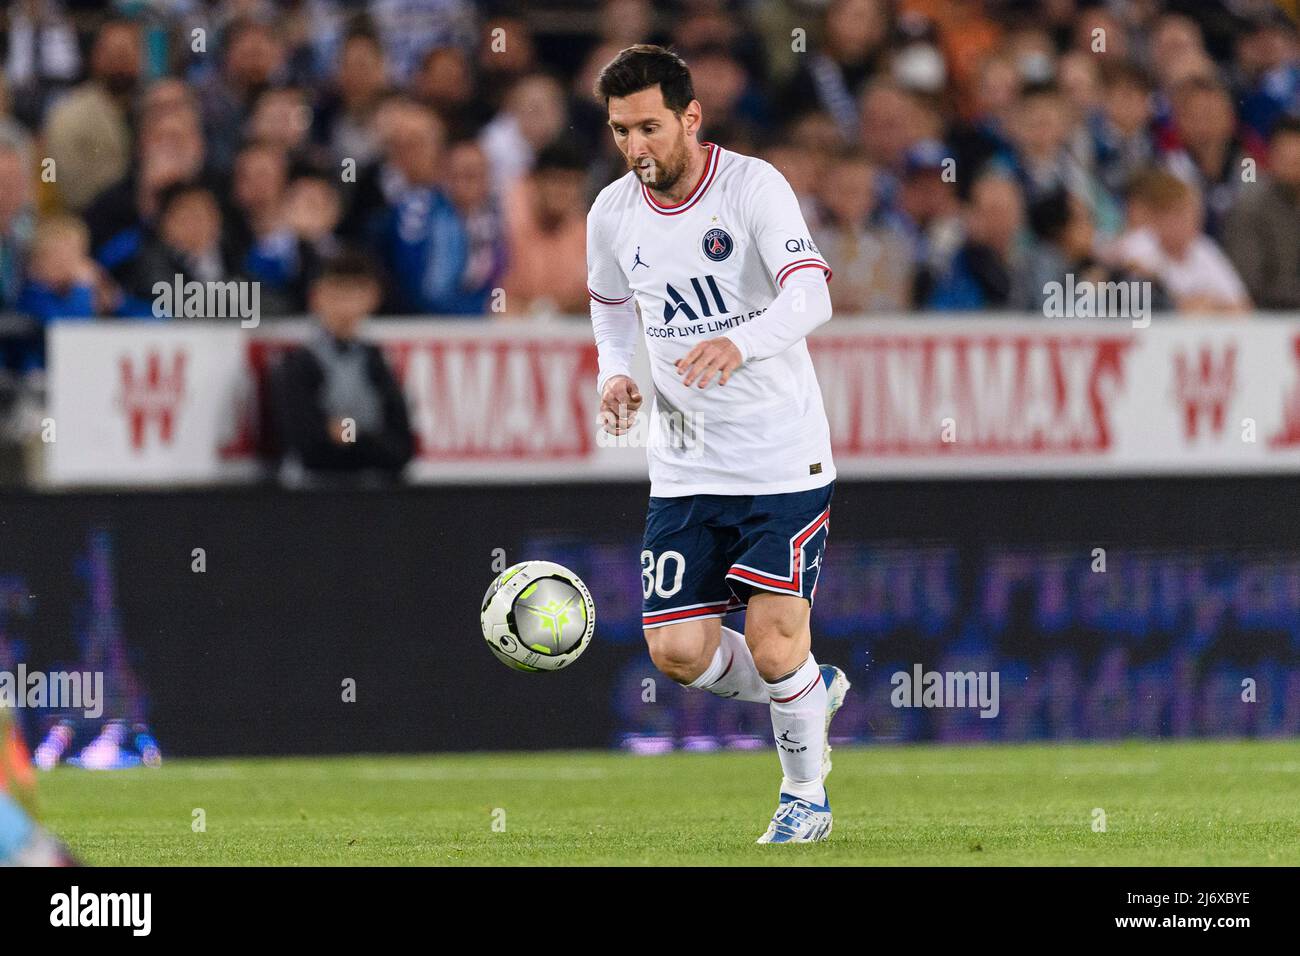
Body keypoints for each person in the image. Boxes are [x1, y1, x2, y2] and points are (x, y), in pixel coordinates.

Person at [586, 45, 849, 844]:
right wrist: (613, 374)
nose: (637, 147)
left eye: (651, 127)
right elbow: (608, 303)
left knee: (772, 647)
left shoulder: (751, 186)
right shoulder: (611, 212)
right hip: (684, 460)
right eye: (621, 130)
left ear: (691, 118)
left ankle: (805, 795)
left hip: (779, 457)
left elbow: (811, 295)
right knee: (676, 651)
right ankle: (810, 687)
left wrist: (741, 341)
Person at [270, 251, 414, 482]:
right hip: (313, 495)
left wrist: (349, 432)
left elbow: (401, 448)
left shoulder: (375, 360)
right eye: (337, 293)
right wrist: (367, 437)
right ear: (317, 297)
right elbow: (307, 444)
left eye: (353, 293)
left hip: (372, 493)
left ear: (372, 297)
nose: (345, 305)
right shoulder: (299, 363)